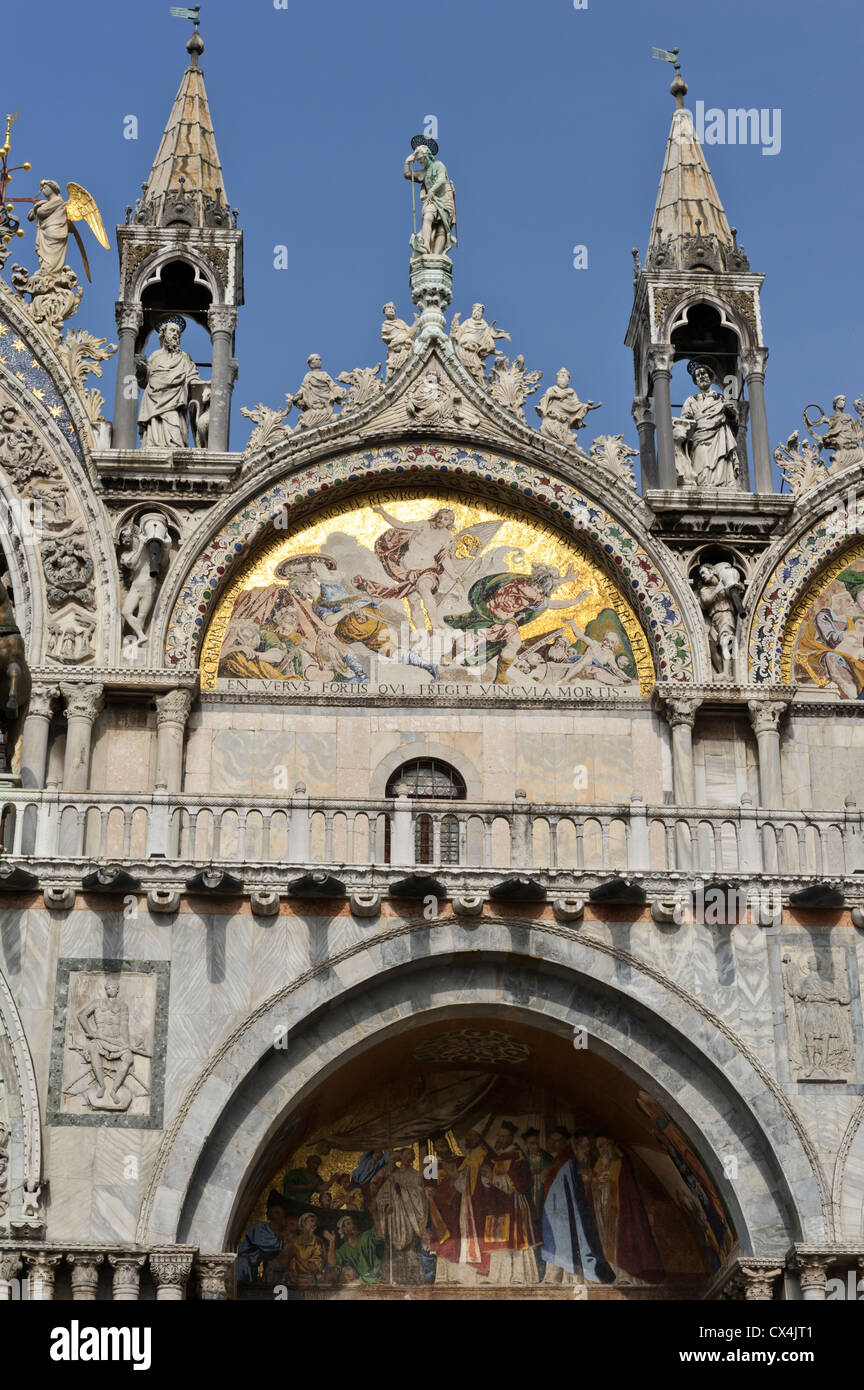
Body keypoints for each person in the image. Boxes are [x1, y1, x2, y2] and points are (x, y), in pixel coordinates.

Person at [136, 318, 201, 449]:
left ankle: (175, 446)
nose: (176, 334)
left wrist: (200, 385)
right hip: (153, 399)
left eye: (177, 332)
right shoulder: (155, 356)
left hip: (175, 400)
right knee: (155, 429)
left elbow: (192, 375)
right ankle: (154, 444)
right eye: (172, 331)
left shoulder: (184, 357)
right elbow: (146, 379)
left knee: (174, 428)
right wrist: (141, 369)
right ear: (164, 334)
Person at [236, 1191, 293, 1283]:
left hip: (253, 1266)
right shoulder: (259, 1227)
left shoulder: (282, 1233)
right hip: (242, 1263)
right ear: (268, 1215)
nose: (278, 1217)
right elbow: (269, 1246)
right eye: (275, 1213)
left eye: (280, 1213)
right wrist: (282, 1239)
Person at [334, 1213, 384, 1284]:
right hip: (362, 1281)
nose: (353, 1225)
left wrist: (374, 1212)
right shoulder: (343, 1249)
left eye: (353, 1223)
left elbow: (380, 1233)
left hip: (377, 1277)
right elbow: (334, 1264)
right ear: (343, 1229)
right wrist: (331, 1243)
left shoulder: (366, 1236)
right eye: (348, 1224)